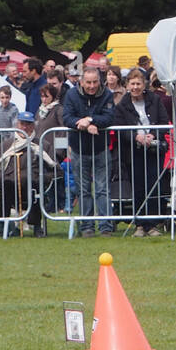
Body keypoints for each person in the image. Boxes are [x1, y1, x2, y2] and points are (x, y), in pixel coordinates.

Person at [112, 68, 171, 236]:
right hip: (133, 152)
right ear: (127, 85)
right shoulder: (123, 104)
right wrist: (136, 137)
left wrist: (154, 133)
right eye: (133, 84)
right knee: (138, 187)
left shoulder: (155, 100)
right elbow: (120, 128)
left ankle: (151, 224)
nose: (136, 87)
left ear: (144, 84)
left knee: (153, 186)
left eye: (138, 83)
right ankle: (139, 224)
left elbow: (163, 121)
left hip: (154, 149)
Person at [61, 67, 115, 236]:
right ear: (82, 82)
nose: (92, 86)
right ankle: (87, 227)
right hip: (79, 149)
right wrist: (80, 122)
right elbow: (67, 118)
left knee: (102, 189)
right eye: (88, 82)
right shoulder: (71, 95)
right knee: (83, 190)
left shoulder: (107, 94)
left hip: (100, 148)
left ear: (100, 81)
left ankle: (106, 226)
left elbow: (109, 117)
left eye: (95, 82)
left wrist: (91, 120)